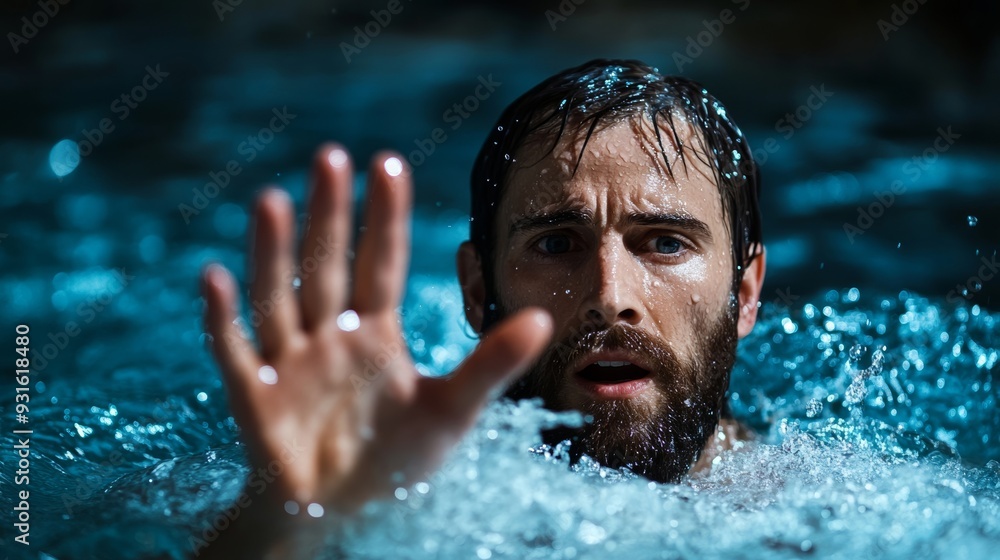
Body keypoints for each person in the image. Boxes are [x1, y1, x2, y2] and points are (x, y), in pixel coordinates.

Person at [197, 58, 766, 558]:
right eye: (556, 243)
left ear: (744, 294)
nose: (609, 298)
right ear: (475, 291)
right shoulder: (405, 477)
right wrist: (282, 524)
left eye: (666, 242)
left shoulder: (825, 511)